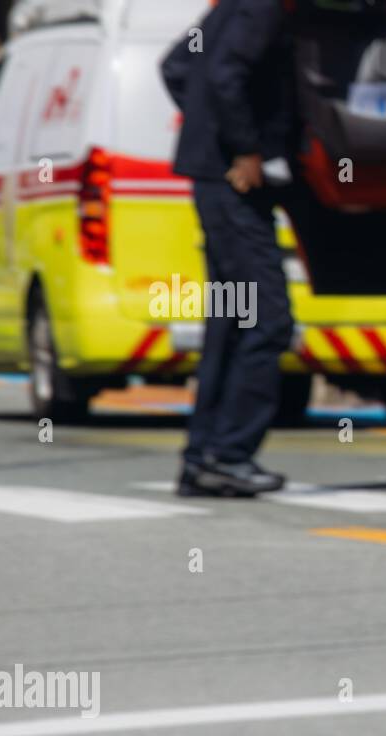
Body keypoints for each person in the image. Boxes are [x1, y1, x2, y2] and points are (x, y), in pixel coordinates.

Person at [161, 0, 298, 496]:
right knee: (268, 320)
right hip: (234, 187)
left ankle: (204, 458)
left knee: (230, 323)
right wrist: (242, 147)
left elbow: (177, 66)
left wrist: (206, 133)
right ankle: (230, 453)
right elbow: (222, 76)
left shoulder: (236, 7)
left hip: (216, 182)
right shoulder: (262, 9)